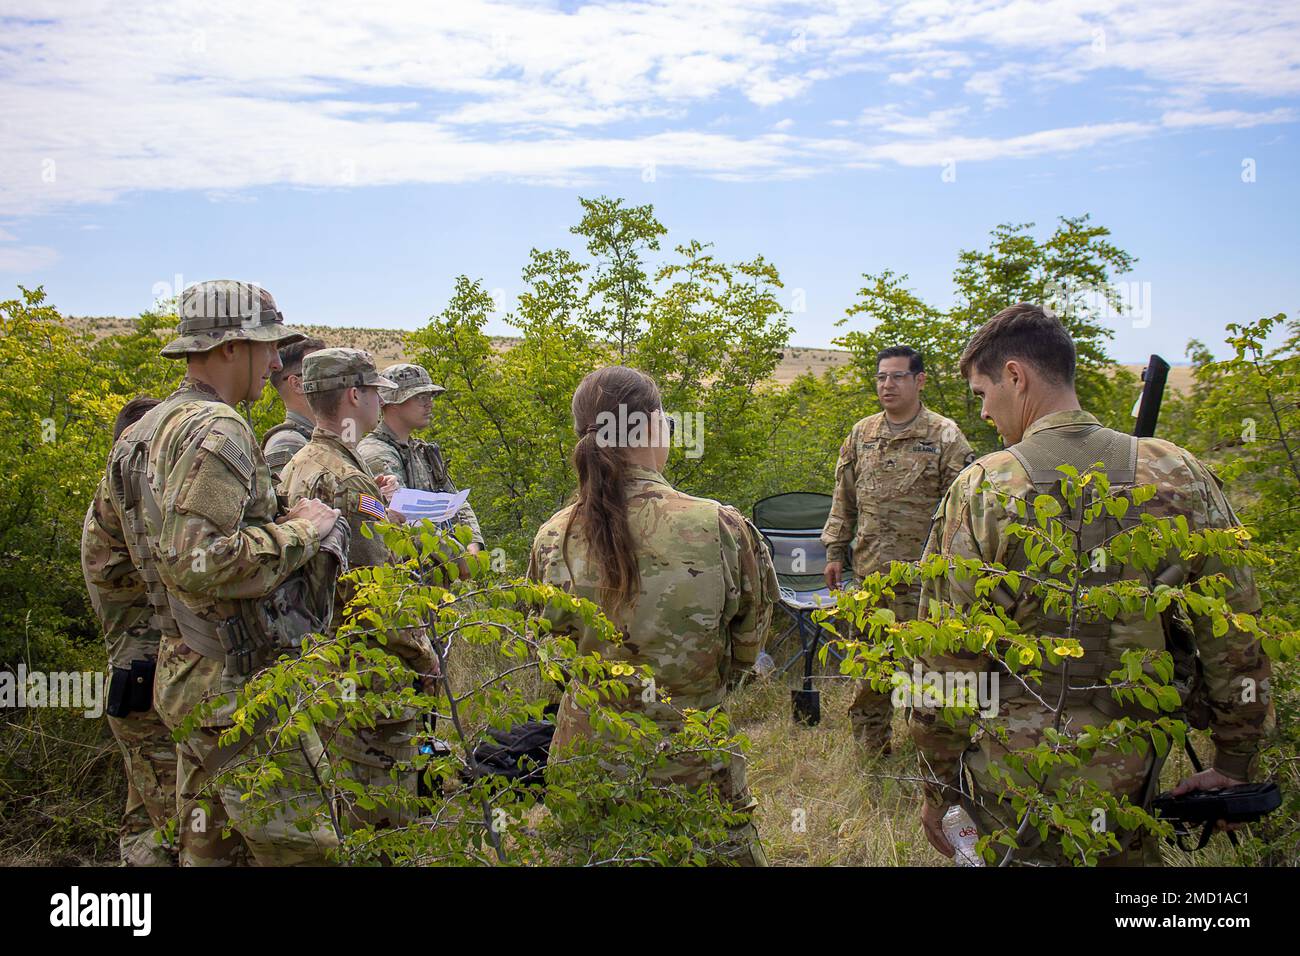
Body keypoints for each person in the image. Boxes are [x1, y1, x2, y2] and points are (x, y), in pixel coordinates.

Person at [911, 303, 1275, 866]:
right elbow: (1235, 633)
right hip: (1135, 767)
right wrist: (1233, 763)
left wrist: (938, 786)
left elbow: (948, 657)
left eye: (983, 392)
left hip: (1014, 777)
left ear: (1016, 376)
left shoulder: (984, 488)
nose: (983, 412)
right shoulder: (1180, 472)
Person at [91, 279, 348, 866]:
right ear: (231, 347)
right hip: (238, 685)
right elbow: (201, 558)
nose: (278, 362)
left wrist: (145, 641)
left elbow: (108, 553)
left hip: (184, 672)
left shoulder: (143, 431)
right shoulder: (218, 427)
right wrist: (304, 529)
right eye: (267, 346)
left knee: (211, 851)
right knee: (306, 852)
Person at [527, 366, 778, 865]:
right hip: (694, 760)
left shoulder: (552, 534)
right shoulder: (718, 525)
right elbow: (749, 645)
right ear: (652, 427)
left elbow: (548, 657)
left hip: (588, 762)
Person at [278, 348, 441, 829]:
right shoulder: (347, 478)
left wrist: (382, 503)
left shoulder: (306, 462)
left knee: (346, 803)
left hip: (325, 662)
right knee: (382, 822)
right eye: (375, 393)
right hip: (370, 672)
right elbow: (377, 591)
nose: (379, 402)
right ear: (355, 395)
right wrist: (422, 652)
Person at [820, 346, 974, 752]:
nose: (887, 385)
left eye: (897, 376)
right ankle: (872, 751)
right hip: (871, 575)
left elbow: (964, 510)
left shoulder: (944, 435)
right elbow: (844, 498)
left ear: (919, 380)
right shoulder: (862, 433)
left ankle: (932, 753)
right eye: (881, 377)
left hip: (928, 582)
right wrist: (836, 550)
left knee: (928, 669)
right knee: (871, 668)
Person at [82, 396, 176, 866]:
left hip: (143, 675)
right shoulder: (119, 510)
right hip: (144, 678)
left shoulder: (115, 502)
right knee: (172, 820)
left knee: (146, 816)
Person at [358, 363, 483, 554]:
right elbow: (406, 521)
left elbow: (456, 501)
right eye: (419, 397)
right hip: (409, 573)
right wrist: (456, 556)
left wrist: (473, 544)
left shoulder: (419, 450)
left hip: (437, 567)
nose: (429, 404)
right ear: (391, 402)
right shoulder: (376, 453)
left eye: (429, 396)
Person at [262, 335, 327, 482]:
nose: (335, 379)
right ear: (297, 384)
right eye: (323, 373)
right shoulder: (289, 444)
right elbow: (285, 504)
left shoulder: (313, 439)